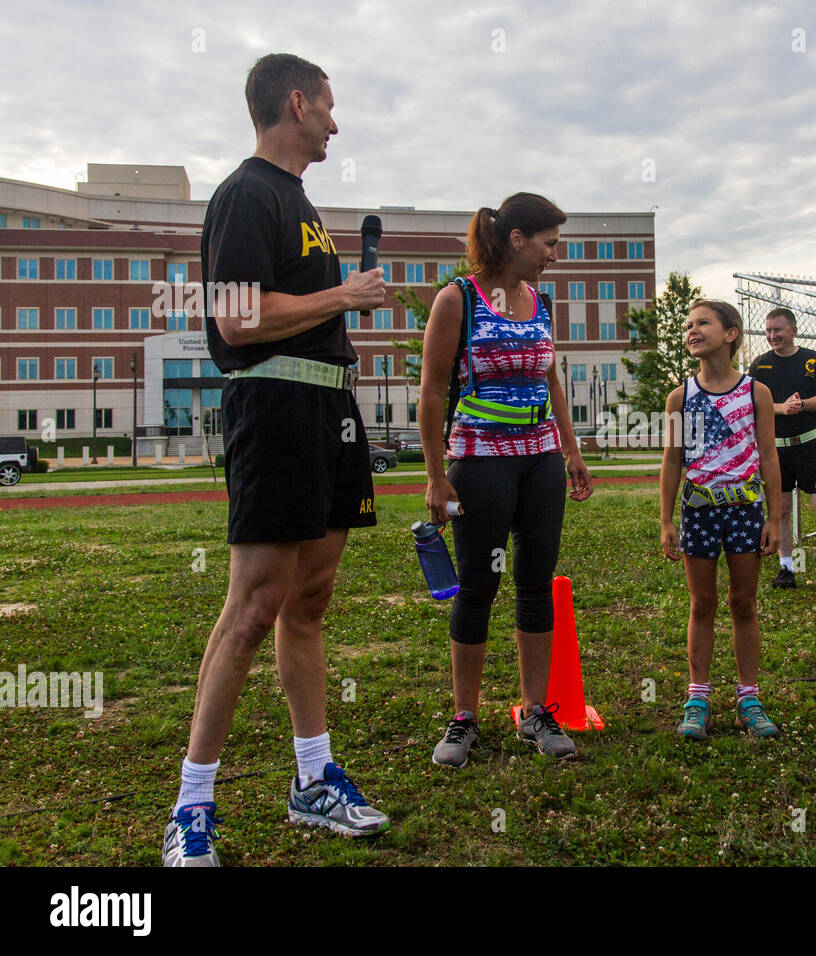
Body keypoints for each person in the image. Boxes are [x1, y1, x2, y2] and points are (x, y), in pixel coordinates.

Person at [165, 54, 390, 867]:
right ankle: (192, 808)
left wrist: (342, 317)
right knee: (254, 607)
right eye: (329, 106)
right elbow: (234, 323)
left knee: (312, 600)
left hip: (330, 410)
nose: (336, 121)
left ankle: (312, 778)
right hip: (276, 410)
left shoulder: (301, 204)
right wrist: (344, 297)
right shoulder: (246, 194)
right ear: (296, 103)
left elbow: (294, 309)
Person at [419, 193, 593, 768]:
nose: (555, 254)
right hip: (481, 461)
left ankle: (536, 711)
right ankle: (464, 718)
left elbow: (553, 381)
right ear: (517, 239)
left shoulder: (540, 302)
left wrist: (570, 450)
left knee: (535, 581)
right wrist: (437, 476)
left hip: (539, 460)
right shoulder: (458, 299)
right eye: (549, 242)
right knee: (477, 586)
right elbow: (432, 392)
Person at [660, 299, 782, 740]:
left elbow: (768, 457)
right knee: (702, 604)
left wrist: (775, 518)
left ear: (731, 334)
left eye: (703, 323)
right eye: (688, 324)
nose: (692, 330)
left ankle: (748, 698)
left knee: (744, 603)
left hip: (745, 512)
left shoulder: (756, 393)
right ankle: (698, 698)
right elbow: (672, 461)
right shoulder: (681, 397)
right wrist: (667, 520)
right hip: (699, 513)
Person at [747, 307, 816, 591]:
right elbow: (753, 404)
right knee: (783, 509)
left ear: (793, 331)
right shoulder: (760, 366)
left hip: (810, 444)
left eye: (777, 330)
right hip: (776, 449)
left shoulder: (813, 360)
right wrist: (781, 408)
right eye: (768, 331)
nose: (772, 336)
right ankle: (786, 568)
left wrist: (802, 405)